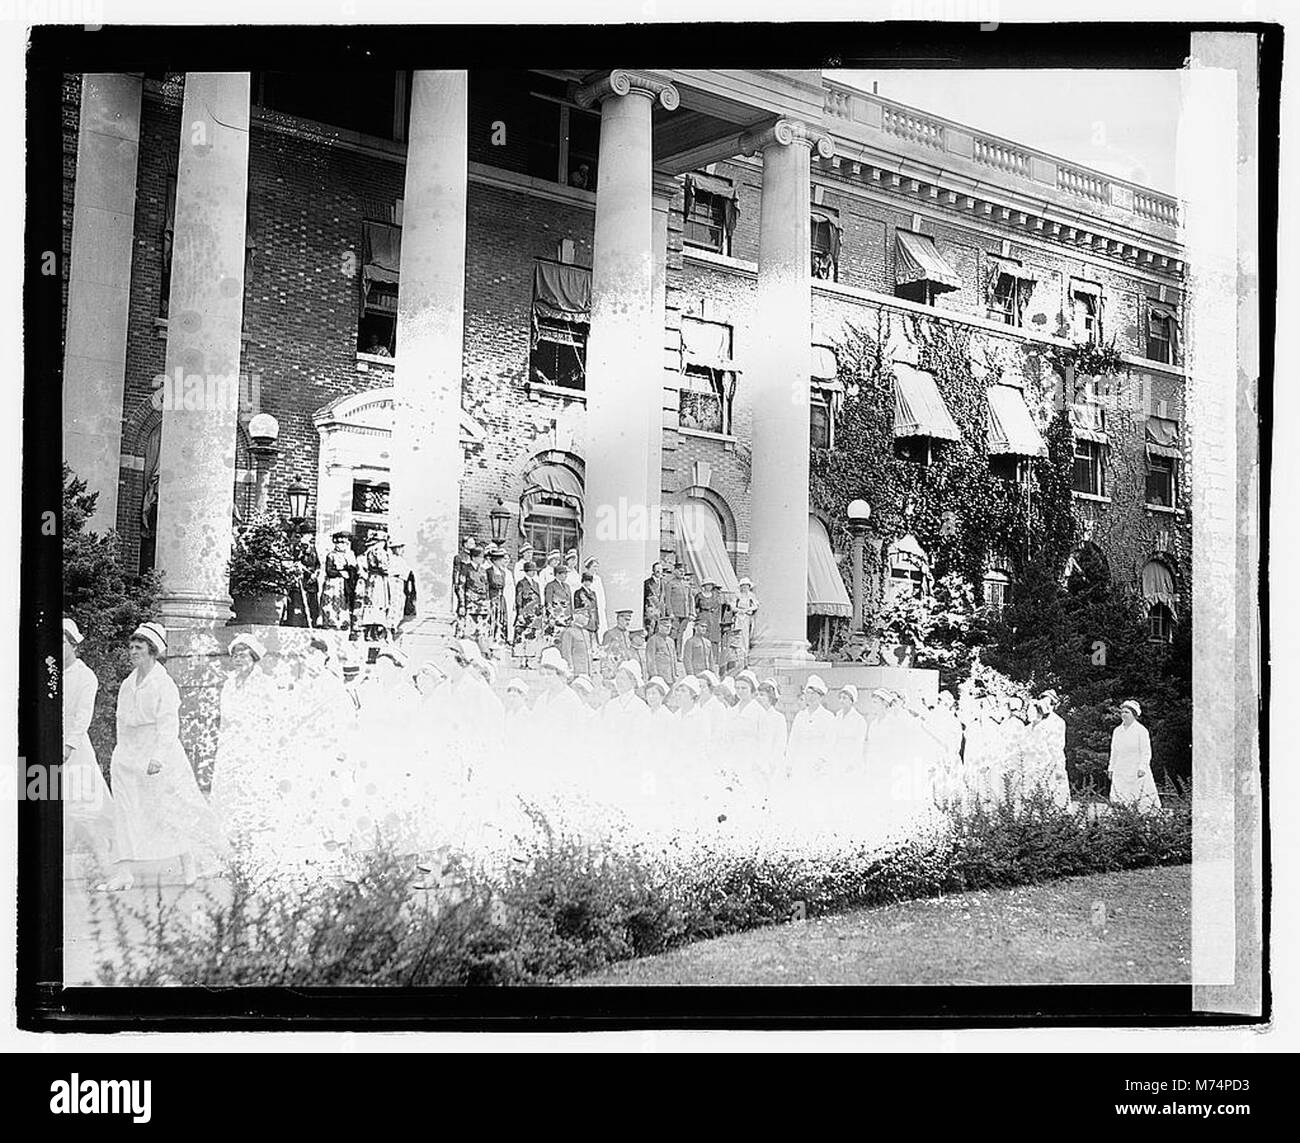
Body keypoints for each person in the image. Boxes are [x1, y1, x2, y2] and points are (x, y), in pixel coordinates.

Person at [108, 622, 226, 889]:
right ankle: (123, 873)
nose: (132, 651)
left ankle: (189, 862)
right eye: (131, 647)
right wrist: (120, 753)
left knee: (171, 810)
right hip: (129, 754)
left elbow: (169, 726)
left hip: (159, 754)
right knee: (126, 811)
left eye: (138, 647)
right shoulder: (128, 683)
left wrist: (158, 757)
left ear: (152, 651)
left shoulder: (164, 684)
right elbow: (121, 722)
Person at [209, 633, 281, 858]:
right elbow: (225, 716)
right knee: (227, 793)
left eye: (242, 654)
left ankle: (254, 847)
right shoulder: (229, 684)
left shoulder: (266, 684)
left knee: (252, 792)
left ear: (253, 656)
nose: (238, 659)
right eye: (235, 655)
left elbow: (273, 718)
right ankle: (229, 845)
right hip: (231, 745)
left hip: (255, 746)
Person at [61, 617, 115, 877]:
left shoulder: (85, 676)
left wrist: (69, 745)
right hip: (48, 743)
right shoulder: (49, 672)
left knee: (83, 807)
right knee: (42, 798)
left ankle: (106, 865)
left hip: (74, 747)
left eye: (61, 642)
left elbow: (83, 715)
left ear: (73, 644)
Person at [1108, 698, 1160, 812]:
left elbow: (1146, 751)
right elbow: (1114, 751)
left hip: (1136, 769)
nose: (1123, 714)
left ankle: (1142, 818)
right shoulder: (1117, 731)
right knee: (1119, 796)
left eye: (1127, 712)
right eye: (1122, 712)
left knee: (1139, 796)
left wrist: (1142, 767)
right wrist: (1111, 768)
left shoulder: (1141, 731)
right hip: (1120, 768)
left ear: (1134, 715)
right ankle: (1120, 818)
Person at [1028, 690, 1071, 808]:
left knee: (1055, 792)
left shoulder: (1058, 722)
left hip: (1051, 762)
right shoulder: (1034, 723)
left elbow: (1057, 746)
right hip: (1035, 764)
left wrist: (1058, 765)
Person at [357, 530, 392, 641]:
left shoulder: (371, 551)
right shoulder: (378, 552)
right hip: (378, 579)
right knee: (377, 603)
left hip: (373, 578)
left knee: (373, 603)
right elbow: (383, 567)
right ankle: (373, 631)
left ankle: (371, 631)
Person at [320, 531, 358, 631]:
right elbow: (329, 571)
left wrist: (350, 569)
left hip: (344, 583)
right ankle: (330, 621)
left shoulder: (350, 555)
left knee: (343, 601)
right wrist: (339, 572)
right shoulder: (331, 555)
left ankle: (343, 621)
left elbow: (354, 570)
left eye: (344, 543)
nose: (341, 546)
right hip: (333, 583)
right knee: (332, 600)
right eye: (339, 543)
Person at [284, 532, 321, 628]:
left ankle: (312, 623)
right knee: (298, 602)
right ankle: (297, 623)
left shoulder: (313, 549)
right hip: (301, 579)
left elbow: (318, 564)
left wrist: (315, 574)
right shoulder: (298, 549)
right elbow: (297, 562)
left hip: (311, 581)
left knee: (312, 603)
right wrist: (306, 571)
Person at [386, 537, 416, 641]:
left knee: (399, 606)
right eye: (399, 547)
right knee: (393, 606)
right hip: (393, 584)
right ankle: (389, 632)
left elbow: (407, 574)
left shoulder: (401, 560)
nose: (402, 550)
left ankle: (394, 628)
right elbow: (392, 572)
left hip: (400, 585)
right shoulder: (391, 559)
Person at [514, 561, 543, 663]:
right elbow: (519, 599)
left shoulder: (536, 584)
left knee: (532, 636)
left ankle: (529, 660)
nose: (533, 573)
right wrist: (520, 613)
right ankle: (521, 660)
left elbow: (539, 599)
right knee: (521, 636)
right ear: (526, 571)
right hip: (525, 612)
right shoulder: (521, 583)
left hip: (534, 613)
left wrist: (539, 612)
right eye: (531, 570)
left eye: (534, 571)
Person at [663, 562, 694, 656]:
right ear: (675, 571)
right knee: (673, 634)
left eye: (683, 571)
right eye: (680, 571)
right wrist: (670, 612)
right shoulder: (670, 584)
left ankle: (678, 653)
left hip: (685, 614)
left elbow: (690, 599)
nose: (682, 573)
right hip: (675, 614)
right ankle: (670, 653)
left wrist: (691, 612)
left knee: (681, 635)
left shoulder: (686, 584)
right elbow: (667, 600)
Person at [460, 542, 490, 639]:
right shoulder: (466, 569)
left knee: (482, 631)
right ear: (474, 557)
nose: (482, 559)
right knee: (470, 630)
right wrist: (462, 604)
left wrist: (487, 602)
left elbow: (486, 587)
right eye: (480, 557)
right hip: (471, 603)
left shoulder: (483, 570)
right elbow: (461, 586)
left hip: (483, 605)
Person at [693, 578, 724, 667]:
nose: (709, 587)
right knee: (702, 636)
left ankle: (714, 658)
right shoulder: (699, 596)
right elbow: (696, 607)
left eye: (710, 585)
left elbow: (718, 607)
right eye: (707, 585)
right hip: (702, 616)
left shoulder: (715, 595)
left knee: (713, 637)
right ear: (704, 586)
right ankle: (701, 658)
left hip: (713, 617)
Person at [599, 608, 635, 682]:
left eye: (629, 620)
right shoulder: (610, 634)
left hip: (626, 668)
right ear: (618, 619)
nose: (628, 622)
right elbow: (604, 654)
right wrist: (605, 670)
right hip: (614, 668)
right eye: (626, 619)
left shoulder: (627, 634)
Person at [558, 606, 593, 678]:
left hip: (587, 671)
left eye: (588, 616)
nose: (587, 618)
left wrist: (591, 670)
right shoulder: (569, 632)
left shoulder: (586, 633)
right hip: (577, 672)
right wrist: (570, 671)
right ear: (576, 616)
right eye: (585, 615)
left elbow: (589, 652)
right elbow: (566, 653)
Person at [732, 577, 759, 668]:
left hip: (746, 617)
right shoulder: (738, 595)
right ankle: (738, 656)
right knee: (738, 636)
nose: (745, 588)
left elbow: (755, 605)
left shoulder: (751, 595)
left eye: (747, 586)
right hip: (739, 617)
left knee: (745, 636)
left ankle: (745, 656)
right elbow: (732, 606)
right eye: (743, 586)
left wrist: (748, 609)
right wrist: (739, 610)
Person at [485, 544, 509, 644]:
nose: (502, 562)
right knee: (492, 619)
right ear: (494, 560)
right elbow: (487, 586)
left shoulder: (503, 572)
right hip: (492, 598)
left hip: (500, 598)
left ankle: (499, 639)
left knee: (501, 619)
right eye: (499, 560)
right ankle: (490, 640)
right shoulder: (488, 571)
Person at [572, 573, 601, 657]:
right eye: (586, 580)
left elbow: (596, 607)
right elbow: (577, 608)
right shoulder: (578, 592)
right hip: (585, 616)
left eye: (589, 581)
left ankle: (594, 653)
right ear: (583, 581)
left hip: (593, 616)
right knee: (585, 634)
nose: (587, 583)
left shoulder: (593, 593)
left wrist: (597, 619)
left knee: (594, 635)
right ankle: (585, 652)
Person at [583, 556, 609, 641]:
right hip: (590, 605)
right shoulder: (585, 577)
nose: (596, 568)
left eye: (597, 566)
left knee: (601, 623)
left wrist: (602, 604)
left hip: (599, 605)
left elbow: (601, 593)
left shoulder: (598, 578)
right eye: (594, 566)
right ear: (589, 567)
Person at [643, 561, 666, 631]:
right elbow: (650, 595)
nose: (659, 571)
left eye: (660, 569)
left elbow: (663, 595)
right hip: (651, 609)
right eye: (657, 569)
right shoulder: (648, 582)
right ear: (653, 570)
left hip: (661, 610)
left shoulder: (663, 582)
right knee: (650, 628)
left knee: (659, 628)